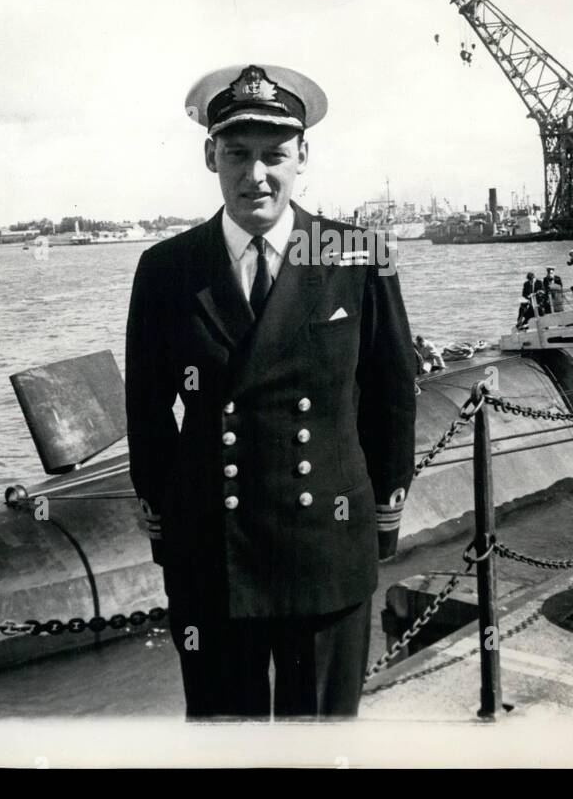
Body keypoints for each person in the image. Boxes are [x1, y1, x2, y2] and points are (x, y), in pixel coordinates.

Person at [125, 63, 416, 720]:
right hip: (213, 555)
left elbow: (392, 395)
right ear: (211, 157)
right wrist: (163, 509)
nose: (256, 175)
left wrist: (382, 511)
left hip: (324, 551)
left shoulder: (355, 256)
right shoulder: (169, 269)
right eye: (237, 155)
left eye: (274, 156)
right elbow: (147, 411)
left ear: (302, 157)